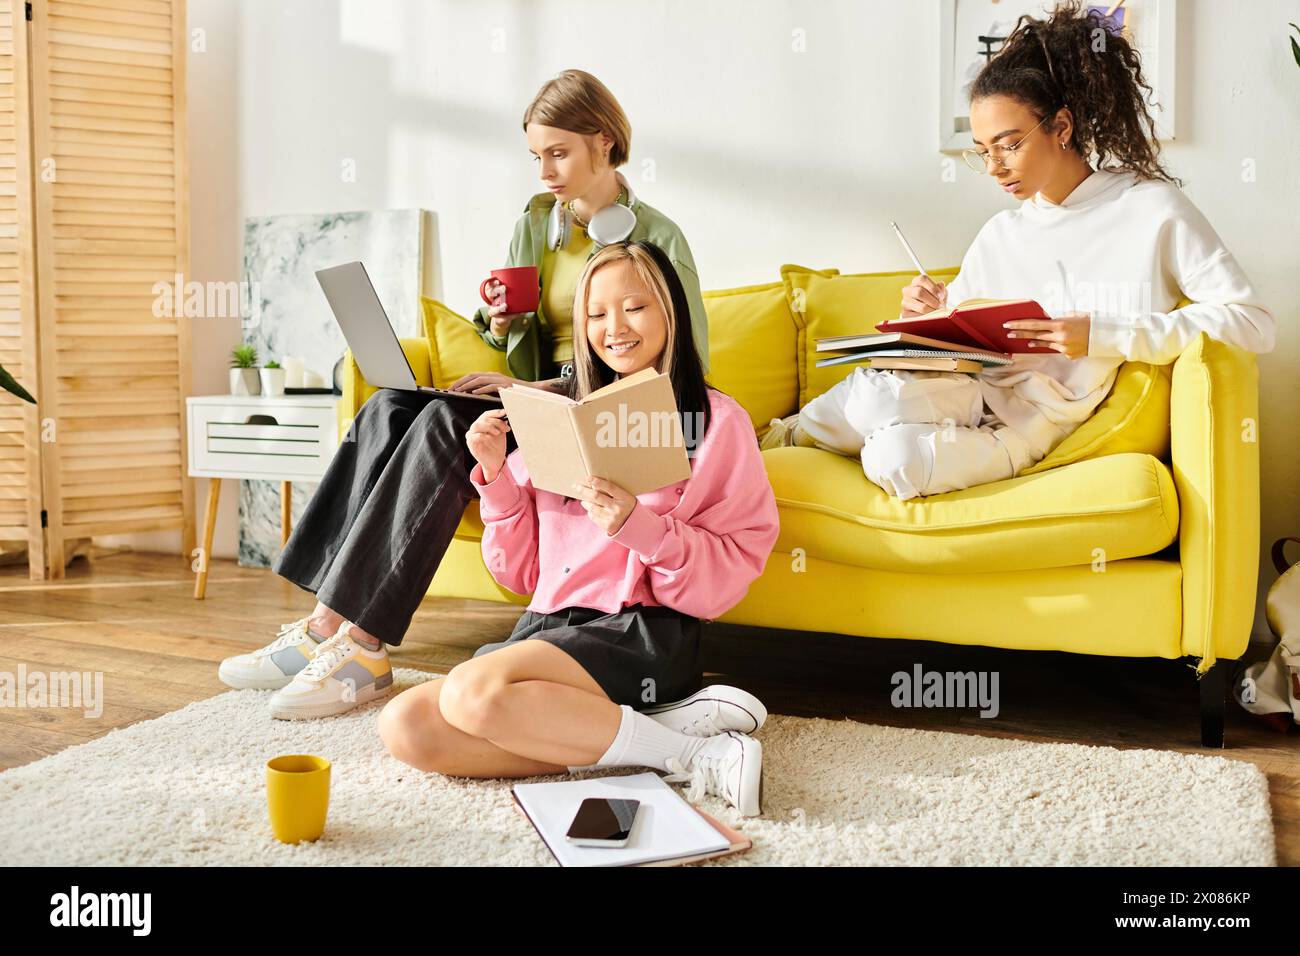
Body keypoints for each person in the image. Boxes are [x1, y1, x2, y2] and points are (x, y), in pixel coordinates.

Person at [216, 70, 711, 722]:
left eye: (558, 153)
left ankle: (363, 650)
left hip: (603, 407)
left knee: (445, 424)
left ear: (603, 140)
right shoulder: (537, 227)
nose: (545, 172)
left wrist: (533, 387)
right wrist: (501, 326)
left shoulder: (657, 237)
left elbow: (678, 365)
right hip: (538, 396)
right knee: (388, 408)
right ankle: (319, 627)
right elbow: (512, 344)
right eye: (536, 156)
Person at [776, 0, 1274, 499]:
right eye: (982, 151)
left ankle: (809, 439)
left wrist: (1102, 334)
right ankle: (779, 440)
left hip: (1028, 426)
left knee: (892, 460)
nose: (994, 168)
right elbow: (959, 347)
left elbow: (1253, 322)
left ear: (1061, 127)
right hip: (964, 393)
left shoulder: (1152, 210)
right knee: (872, 402)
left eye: (1009, 145)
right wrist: (929, 315)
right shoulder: (1002, 232)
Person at [377, 241, 781, 817]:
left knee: (473, 692)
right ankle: (653, 736)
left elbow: (729, 571)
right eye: (595, 314)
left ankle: (697, 757)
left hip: (641, 633)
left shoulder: (717, 422)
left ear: (673, 311)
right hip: (549, 628)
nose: (614, 328)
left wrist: (640, 528)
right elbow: (519, 576)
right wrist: (496, 481)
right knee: (407, 726)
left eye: (635, 307)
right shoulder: (560, 420)